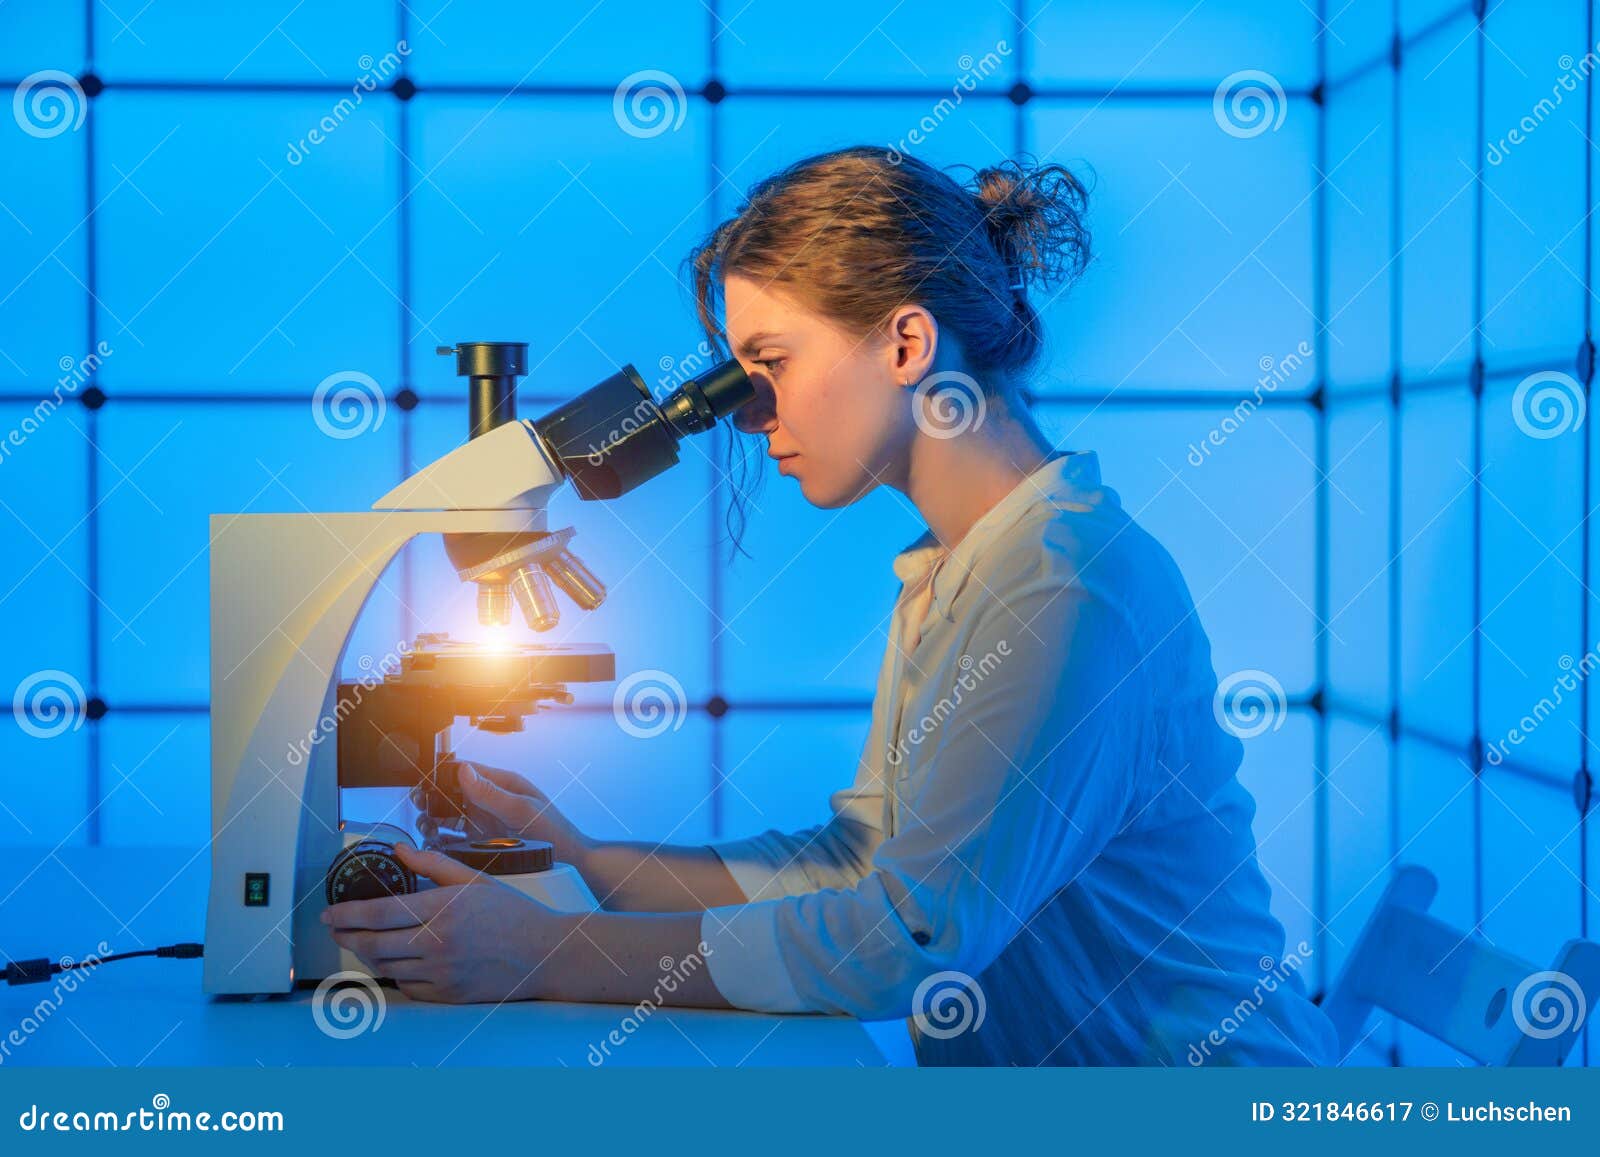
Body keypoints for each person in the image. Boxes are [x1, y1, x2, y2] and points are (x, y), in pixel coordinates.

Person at [325, 145, 1340, 1067]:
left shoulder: (1063, 587)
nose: (749, 412)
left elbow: (908, 934)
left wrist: (548, 951)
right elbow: (860, 864)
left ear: (906, 344)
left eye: (768, 364)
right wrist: (588, 858)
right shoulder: (959, 567)